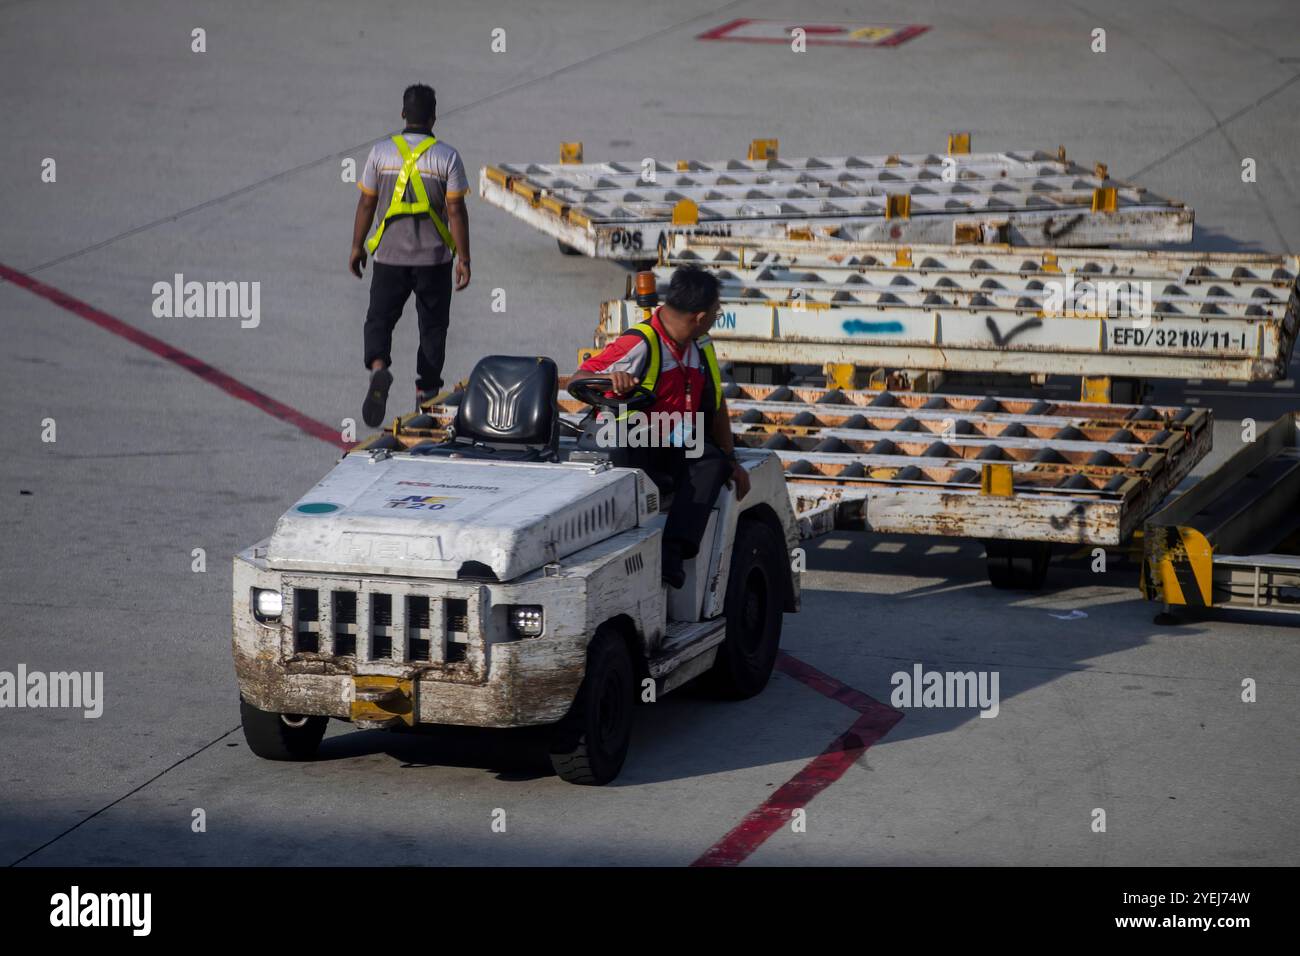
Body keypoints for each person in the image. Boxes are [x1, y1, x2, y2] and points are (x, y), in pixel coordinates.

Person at [576, 266, 749, 588]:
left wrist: (731, 459)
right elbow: (579, 377)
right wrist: (611, 379)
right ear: (699, 316)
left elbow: (715, 405)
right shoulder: (640, 342)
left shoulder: (700, 346)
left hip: (672, 435)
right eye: (715, 312)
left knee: (712, 461)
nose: (716, 318)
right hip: (628, 436)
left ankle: (671, 556)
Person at [349, 83, 471, 427]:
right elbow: (456, 210)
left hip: (389, 257)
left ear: (403, 114)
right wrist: (464, 257)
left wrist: (357, 246)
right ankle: (426, 394)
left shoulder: (381, 153)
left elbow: (366, 202)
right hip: (433, 261)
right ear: (434, 117)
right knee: (432, 328)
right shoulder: (446, 156)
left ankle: (379, 368)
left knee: (379, 319)